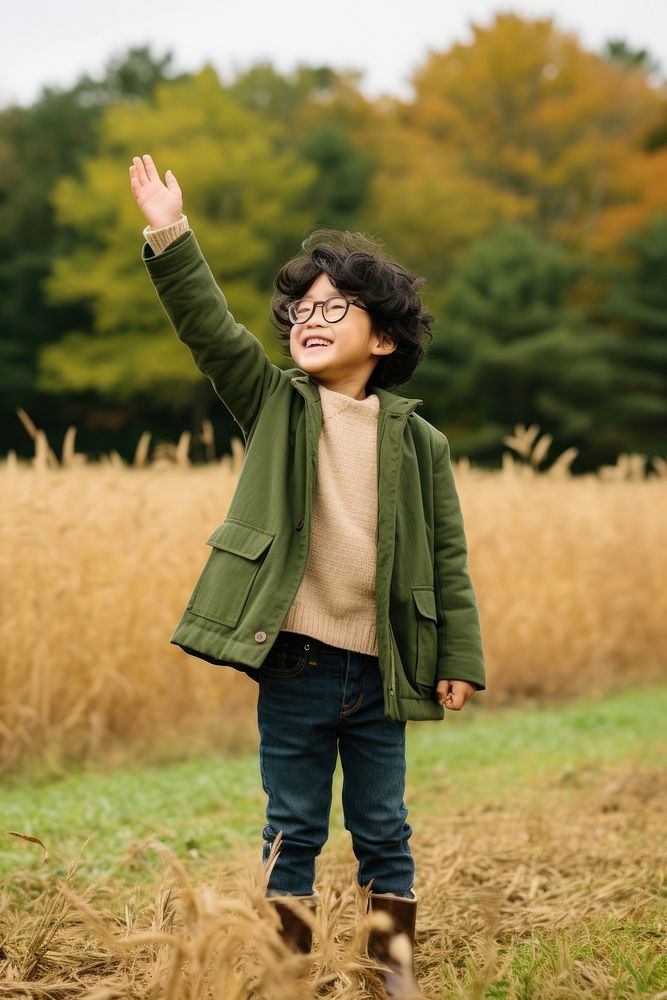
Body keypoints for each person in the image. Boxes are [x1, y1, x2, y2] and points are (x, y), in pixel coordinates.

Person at [129, 153, 486, 998]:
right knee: (291, 824)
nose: (310, 318)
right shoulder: (274, 402)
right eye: (301, 309)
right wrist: (169, 234)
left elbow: (447, 556)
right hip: (294, 660)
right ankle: (284, 969)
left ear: (384, 337)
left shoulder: (419, 441)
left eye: (336, 308)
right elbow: (210, 331)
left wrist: (458, 656)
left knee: (382, 825)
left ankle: (388, 966)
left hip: (383, 664)